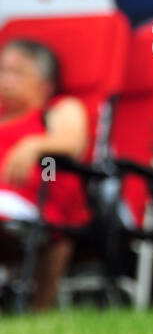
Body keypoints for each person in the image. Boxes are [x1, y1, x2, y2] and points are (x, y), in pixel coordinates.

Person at [0, 40, 89, 309]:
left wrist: (34, 144)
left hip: (31, 204)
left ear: (46, 84)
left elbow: (73, 143)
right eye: (3, 70)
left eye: (18, 72)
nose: (6, 79)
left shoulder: (58, 111)